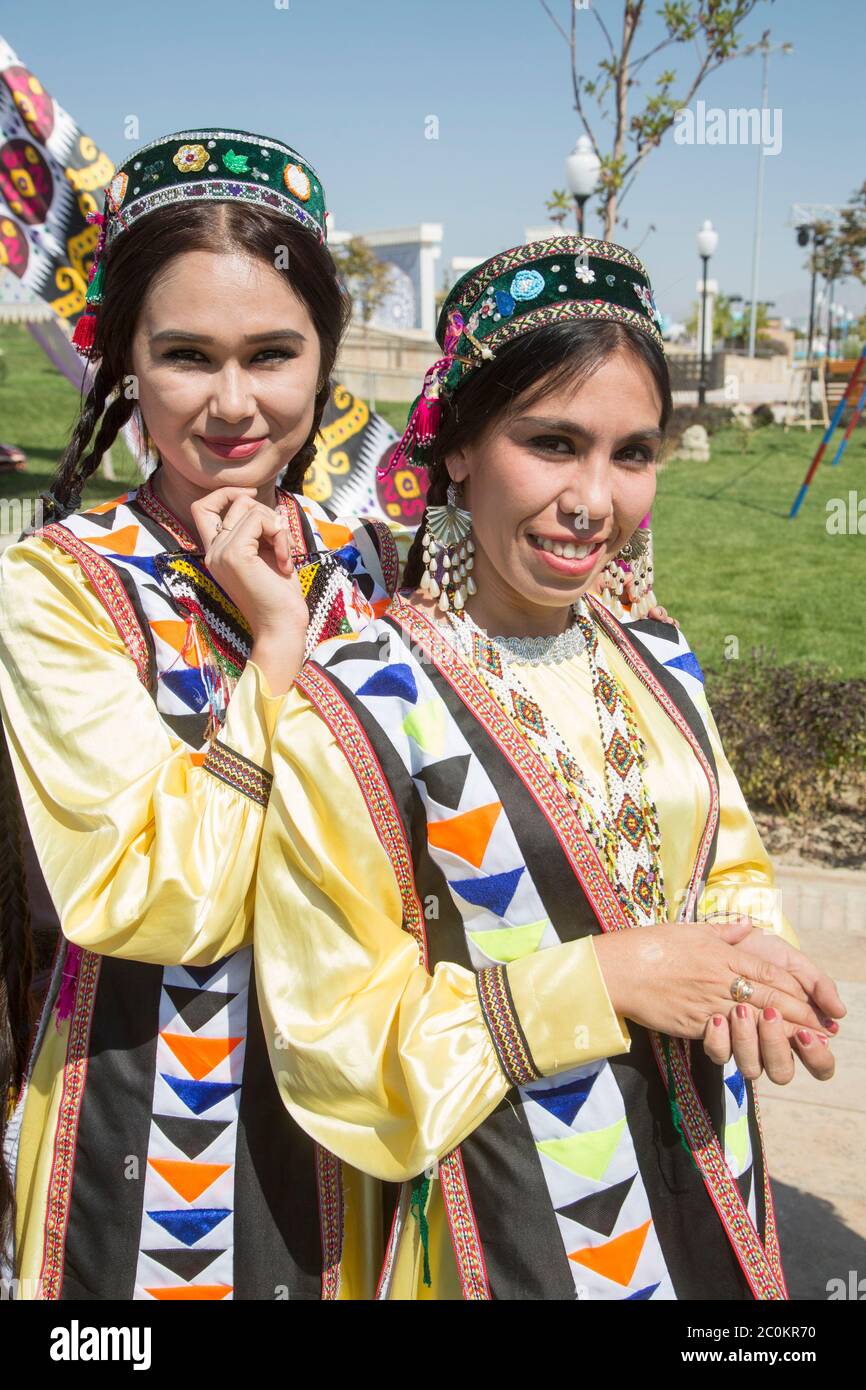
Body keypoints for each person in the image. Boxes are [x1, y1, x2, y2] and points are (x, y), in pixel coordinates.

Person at [251, 235, 845, 1300]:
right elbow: (332, 1037)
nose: (591, 499)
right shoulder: (351, 705)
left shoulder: (652, 652)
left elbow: (726, 853)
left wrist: (753, 960)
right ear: (458, 446)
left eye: (631, 453)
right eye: (551, 442)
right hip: (510, 1217)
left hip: (704, 1167)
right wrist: (607, 979)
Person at [0, 127, 399, 1300]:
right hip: (146, 1131)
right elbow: (152, 891)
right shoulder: (62, 586)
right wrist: (275, 647)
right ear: (126, 359)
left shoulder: (376, 566)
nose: (232, 405)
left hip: (368, 1116)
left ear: (324, 359)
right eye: (186, 356)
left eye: (272, 353)